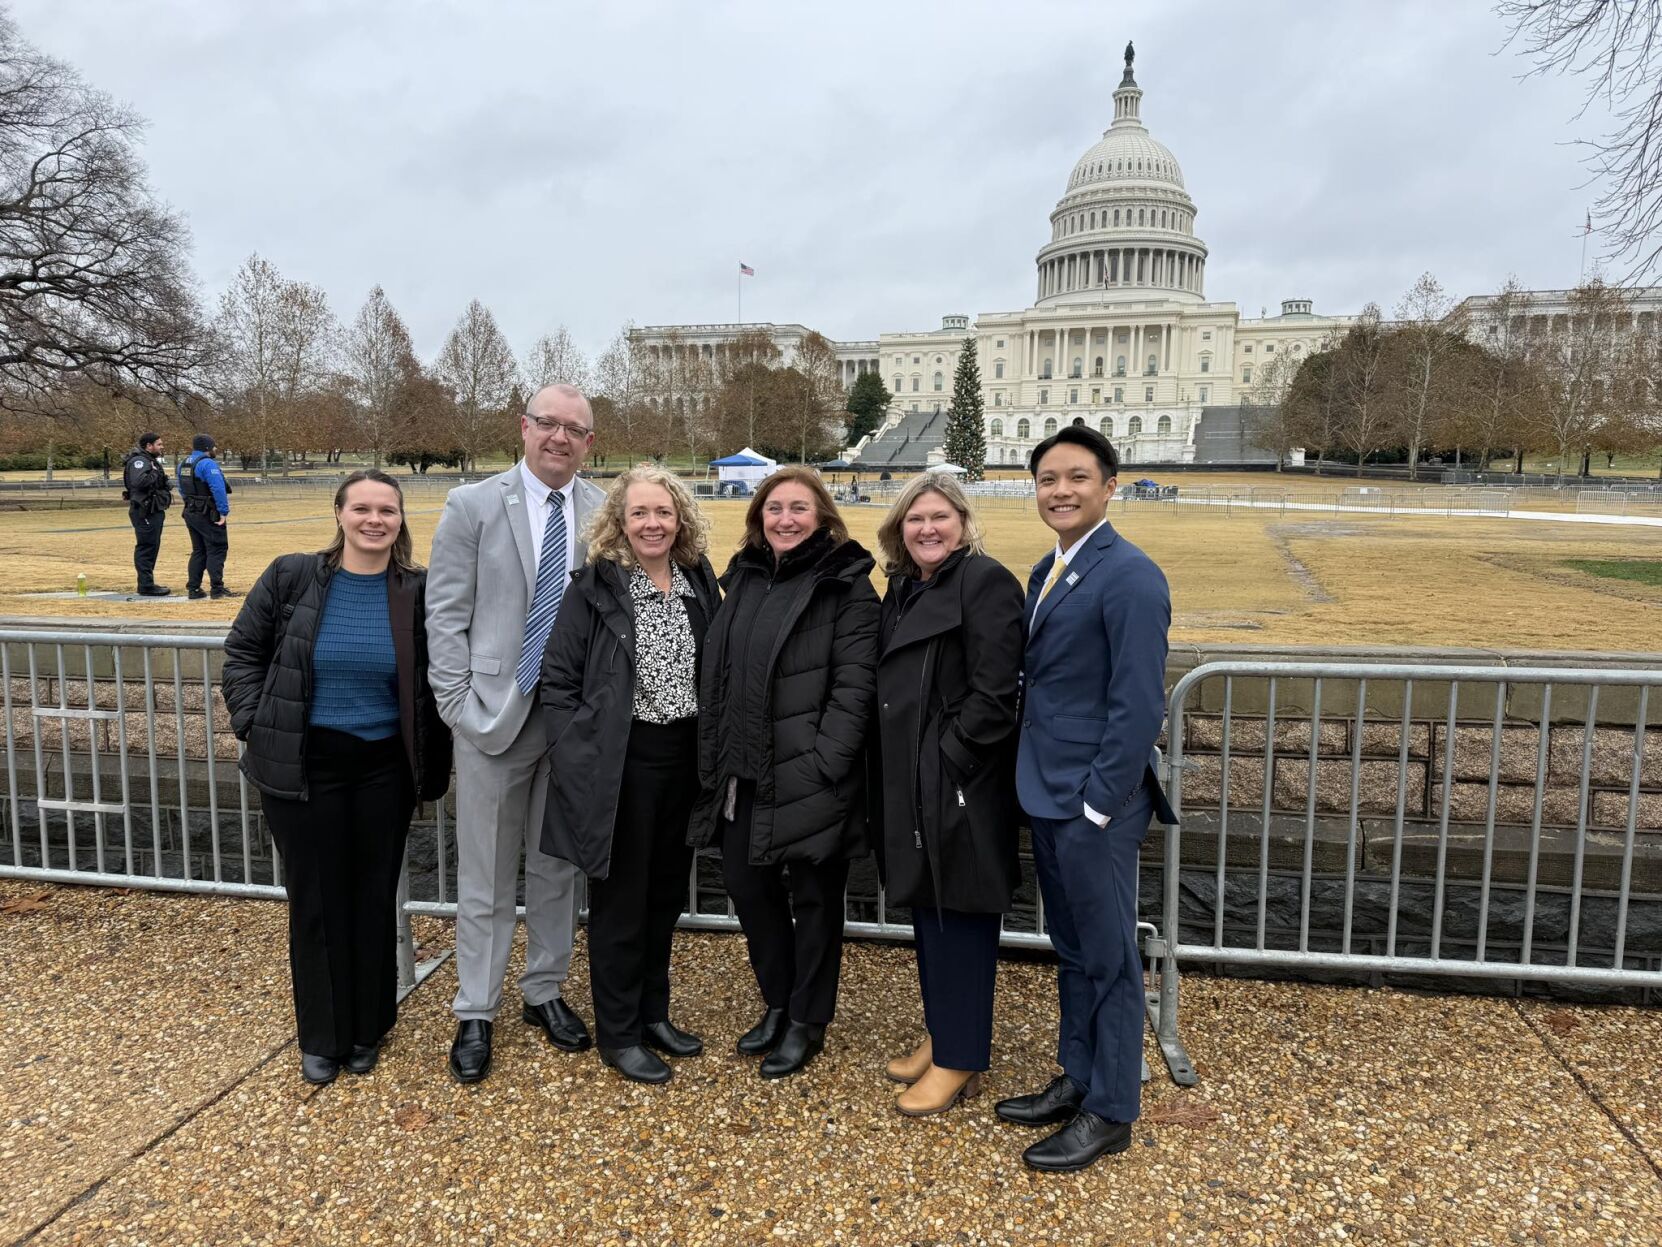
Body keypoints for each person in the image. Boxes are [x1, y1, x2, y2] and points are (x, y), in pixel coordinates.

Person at [221, 469, 452, 1085]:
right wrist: (254, 722)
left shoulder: (418, 591)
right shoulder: (293, 577)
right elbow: (243, 651)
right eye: (363, 508)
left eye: (388, 510)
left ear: (402, 520)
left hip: (384, 766)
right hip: (305, 763)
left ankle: (368, 1024)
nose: (375, 520)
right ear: (340, 513)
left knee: (373, 894)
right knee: (318, 900)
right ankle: (323, 1034)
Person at [994, 425, 1177, 1173]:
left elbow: (1137, 705)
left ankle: (1111, 1108)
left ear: (1110, 485)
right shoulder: (1050, 567)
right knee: (1072, 951)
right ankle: (1078, 1076)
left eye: (1076, 477)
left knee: (1109, 961)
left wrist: (1100, 804)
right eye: (1047, 478)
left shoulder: (1130, 575)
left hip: (1091, 805)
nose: (1060, 490)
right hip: (1050, 790)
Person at [426, 383, 605, 1084]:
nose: (560, 438)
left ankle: (545, 989)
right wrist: (458, 704)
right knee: (487, 874)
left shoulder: (601, 512)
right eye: (549, 424)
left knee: (557, 867)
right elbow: (445, 614)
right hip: (492, 716)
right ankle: (476, 1007)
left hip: (570, 724)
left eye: (576, 429)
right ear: (524, 429)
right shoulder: (472, 505)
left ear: (590, 443)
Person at [689, 466, 878, 1079]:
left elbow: (856, 686)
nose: (786, 519)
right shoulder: (742, 577)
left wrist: (826, 762)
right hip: (745, 772)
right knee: (750, 891)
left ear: (822, 516)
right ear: (758, 517)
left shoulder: (845, 584)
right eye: (775, 509)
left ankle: (807, 1020)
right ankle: (778, 999)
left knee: (817, 902)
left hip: (812, 774)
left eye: (799, 508)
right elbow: (720, 672)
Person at [539, 464, 720, 1085]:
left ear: (680, 520)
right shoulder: (595, 587)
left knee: (664, 897)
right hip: (618, 764)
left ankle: (653, 1015)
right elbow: (559, 683)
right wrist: (575, 753)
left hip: (683, 761)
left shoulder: (698, 580)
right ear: (620, 520)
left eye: (663, 512)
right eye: (640, 512)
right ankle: (618, 1034)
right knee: (620, 904)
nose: (652, 523)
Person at [871, 473, 1024, 1116]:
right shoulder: (907, 588)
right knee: (929, 914)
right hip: (913, 777)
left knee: (958, 915)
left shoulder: (983, 581)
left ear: (961, 521)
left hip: (957, 783)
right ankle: (943, 1035)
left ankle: (962, 1056)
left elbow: (997, 691)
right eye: (914, 519)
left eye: (939, 517)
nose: (927, 529)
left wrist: (948, 757)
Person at [177, 434, 236, 600]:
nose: (216, 449)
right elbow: (218, 489)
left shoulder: (183, 463)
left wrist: (191, 502)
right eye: (214, 446)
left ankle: (194, 588)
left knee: (199, 550)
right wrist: (223, 512)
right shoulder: (207, 464)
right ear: (208, 448)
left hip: (191, 511)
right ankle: (217, 589)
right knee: (216, 548)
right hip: (208, 513)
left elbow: (181, 488)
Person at [122, 432, 173, 597]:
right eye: (159, 444)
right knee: (146, 547)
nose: (161, 447)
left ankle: (148, 582)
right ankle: (146, 585)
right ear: (148, 446)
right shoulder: (140, 461)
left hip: (153, 509)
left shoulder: (150, 461)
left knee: (152, 546)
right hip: (144, 510)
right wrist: (155, 474)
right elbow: (139, 482)